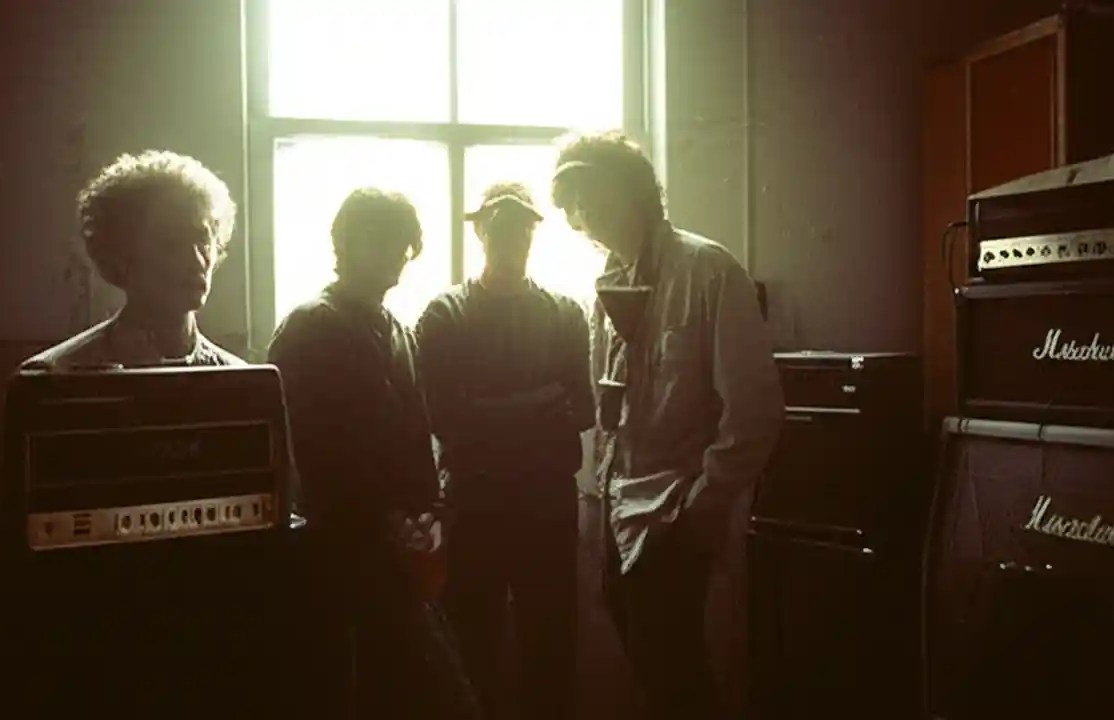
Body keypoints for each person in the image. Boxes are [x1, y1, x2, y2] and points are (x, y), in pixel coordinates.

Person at [551, 131, 784, 719]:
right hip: (619, 507)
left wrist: (702, 503)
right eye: (570, 202)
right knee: (648, 661)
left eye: (585, 195)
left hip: (674, 509)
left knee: (674, 670)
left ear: (625, 190)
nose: (578, 215)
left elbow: (754, 410)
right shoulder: (608, 282)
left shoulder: (709, 271)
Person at [267, 187, 479, 719]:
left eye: (403, 242)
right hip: (338, 551)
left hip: (397, 550)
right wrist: (385, 517)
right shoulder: (313, 325)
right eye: (381, 238)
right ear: (345, 243)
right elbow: (313, 447)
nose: (396, 253)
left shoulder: (397, 329)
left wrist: (427, 514)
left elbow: (415, 435)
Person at [416, 182, 594, 719]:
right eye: (501, 226)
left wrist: (487, 410)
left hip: (545, 505)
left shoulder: (564, 313)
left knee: (551, 646)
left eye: (522, 227)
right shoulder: (445, 315)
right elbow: (446, 419)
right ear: (480, 231)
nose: (512, 238)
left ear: (534, 233)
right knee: (473, 646)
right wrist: (539, 402)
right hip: (477, 504)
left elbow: (582, 411)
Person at [22, 150, 243, 370]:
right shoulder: (55, 376)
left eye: (203, 240)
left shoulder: (239, 379)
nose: (196, 260)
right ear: (120, 255)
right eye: (171, 243)